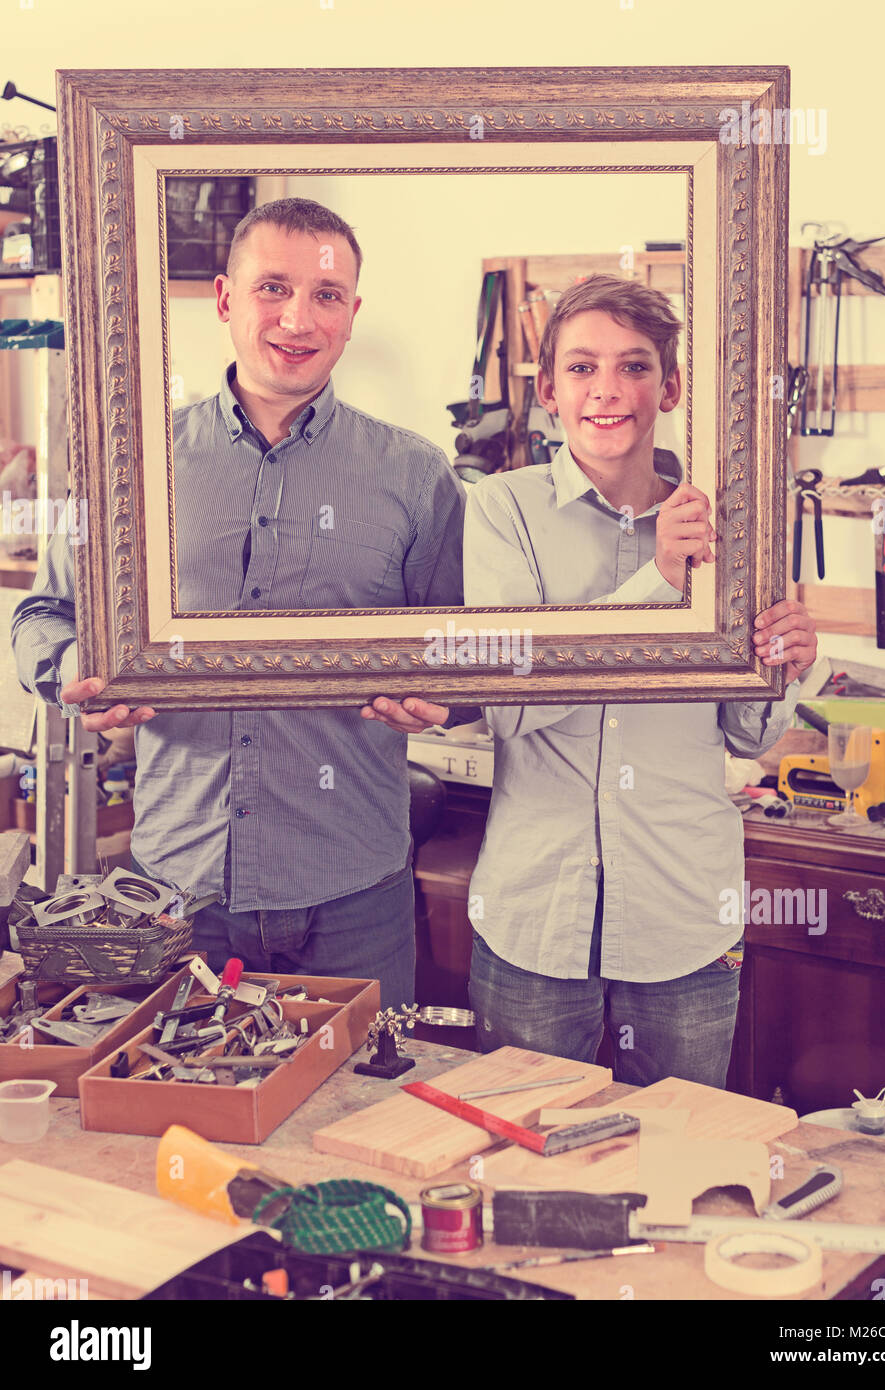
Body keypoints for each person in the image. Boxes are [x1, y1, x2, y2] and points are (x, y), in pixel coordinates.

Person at [12, 198, 466, 1007]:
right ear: (226, 298)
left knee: (362, 1110)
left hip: (354, 894)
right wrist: (81, 668)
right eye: (272, 289)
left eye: (325, 296)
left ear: (352, 314)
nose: (297, 318)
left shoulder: (417, 477)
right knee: (179, 1118)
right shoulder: (131, 465)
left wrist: (444, 697)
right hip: (177, 889)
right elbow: (44, 613)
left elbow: (464, 654)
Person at [461, 274, 818, 1088]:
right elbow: (511, 710)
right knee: (522, 1174)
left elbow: (748, 734)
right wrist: (659, 580)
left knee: (682, 1171)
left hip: (682, 921)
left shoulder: (733, 520)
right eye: (582, 369)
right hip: (533, 921)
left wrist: (787, 663)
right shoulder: (500, 509)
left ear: (671, 386)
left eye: (634, 366)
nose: (608, 391)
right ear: (548, 390)